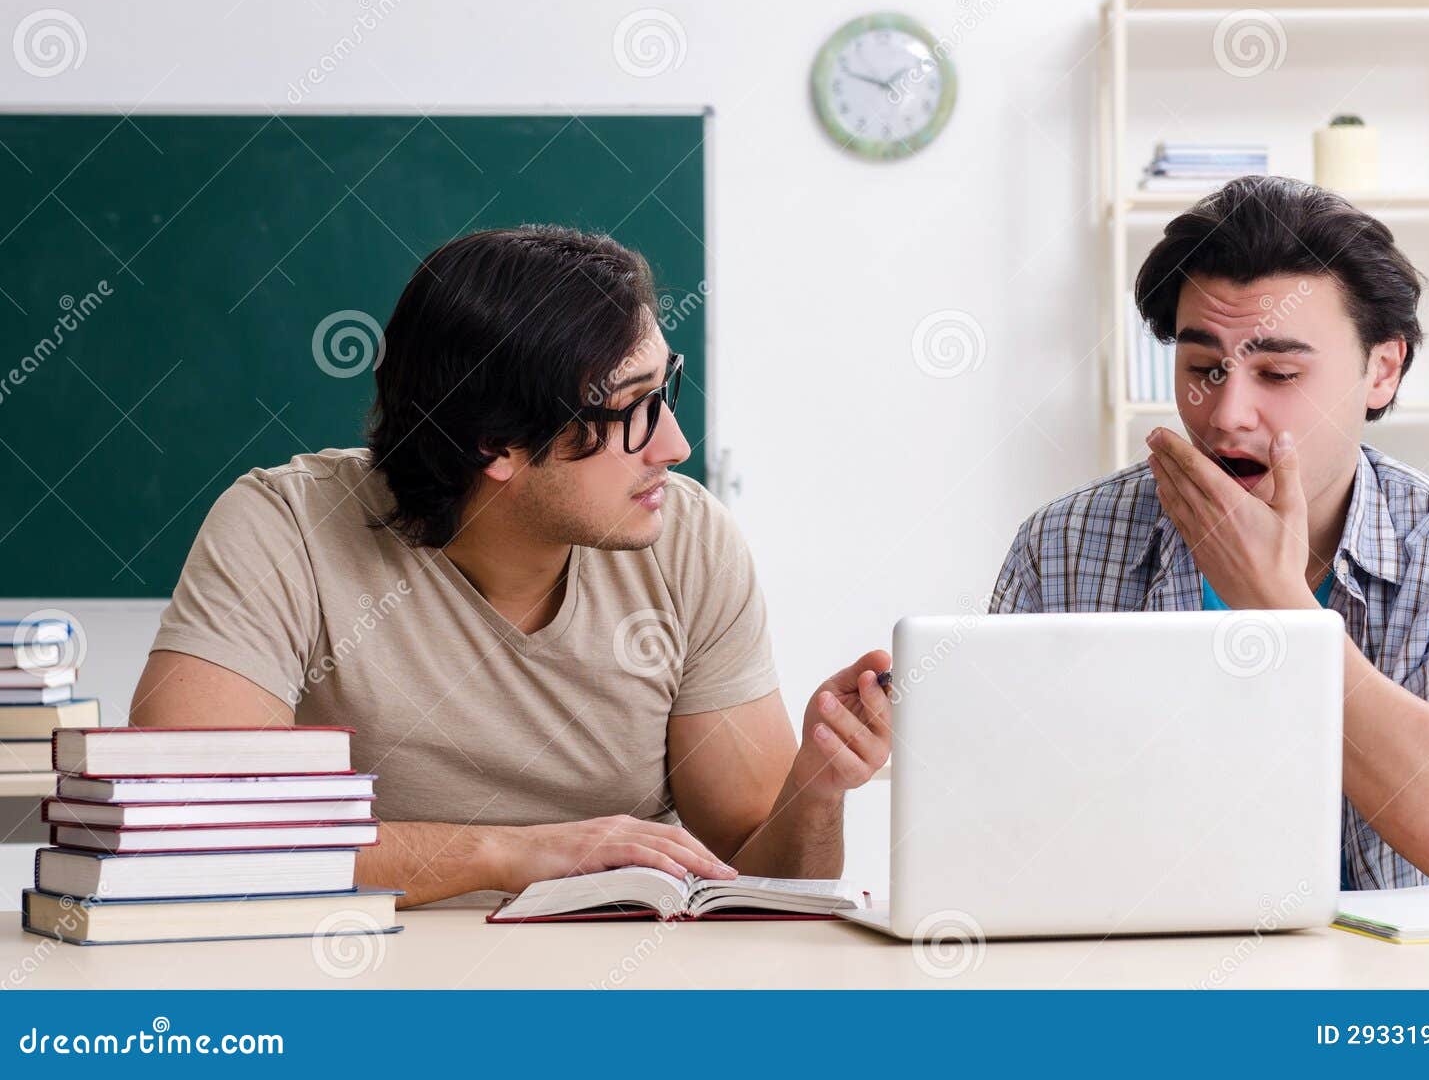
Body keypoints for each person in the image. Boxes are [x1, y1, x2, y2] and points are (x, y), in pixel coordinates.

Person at [130, 225, 890, 907]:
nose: (675, 445)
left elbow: (756, 888)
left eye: (668, 389)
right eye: (633, 410)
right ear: (497, 443)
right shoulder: (285, 528)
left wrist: (816, 791)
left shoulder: (688, 539)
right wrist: (507, 853)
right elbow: (192, 818)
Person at [990, 175, 1429, 888]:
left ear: (1382, 370)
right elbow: (1000, 835)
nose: (1228, 413)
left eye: (1279, 372)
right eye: (1204, 368)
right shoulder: (1062, 547)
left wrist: (1282, 610)